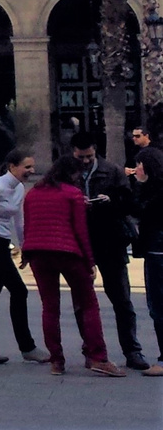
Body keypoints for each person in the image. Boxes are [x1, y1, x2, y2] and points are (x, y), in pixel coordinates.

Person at [21, 155, 124, 376]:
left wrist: (26, 252)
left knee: (50, 306)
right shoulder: (73, 194)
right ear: (73, 173)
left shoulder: (33, 193)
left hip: (38, 253)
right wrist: (90, 262)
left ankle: (56, 361)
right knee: (88, 303)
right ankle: (97, 356)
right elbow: (81, 231)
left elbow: (27, 225)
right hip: (67, 252)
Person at [72, 131, 148, 370]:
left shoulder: (112, 170)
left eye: (89, 156)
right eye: (80, 157)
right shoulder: (66, 172)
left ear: (95, 151)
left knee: (122, 299)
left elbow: (129, 203)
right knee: (82, 300)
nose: (85, 161)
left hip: (110, 239)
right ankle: (91, 349)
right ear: (72, 152)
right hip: (80, 240)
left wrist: (110, 200)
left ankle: (132, 351)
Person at [0, 148, 48, 365]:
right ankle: (27, 346)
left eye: (32, 167)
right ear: (12, 167)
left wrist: (25, 247)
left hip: (3, 243)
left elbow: (19, 221)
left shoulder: (18, 188)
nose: (31, 171)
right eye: (27, 167)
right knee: (18, 291)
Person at [129, 122, 163, 376]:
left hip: (157, 249)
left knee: (158, 305)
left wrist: (139, 184)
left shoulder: (154, 191)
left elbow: (141, 210)